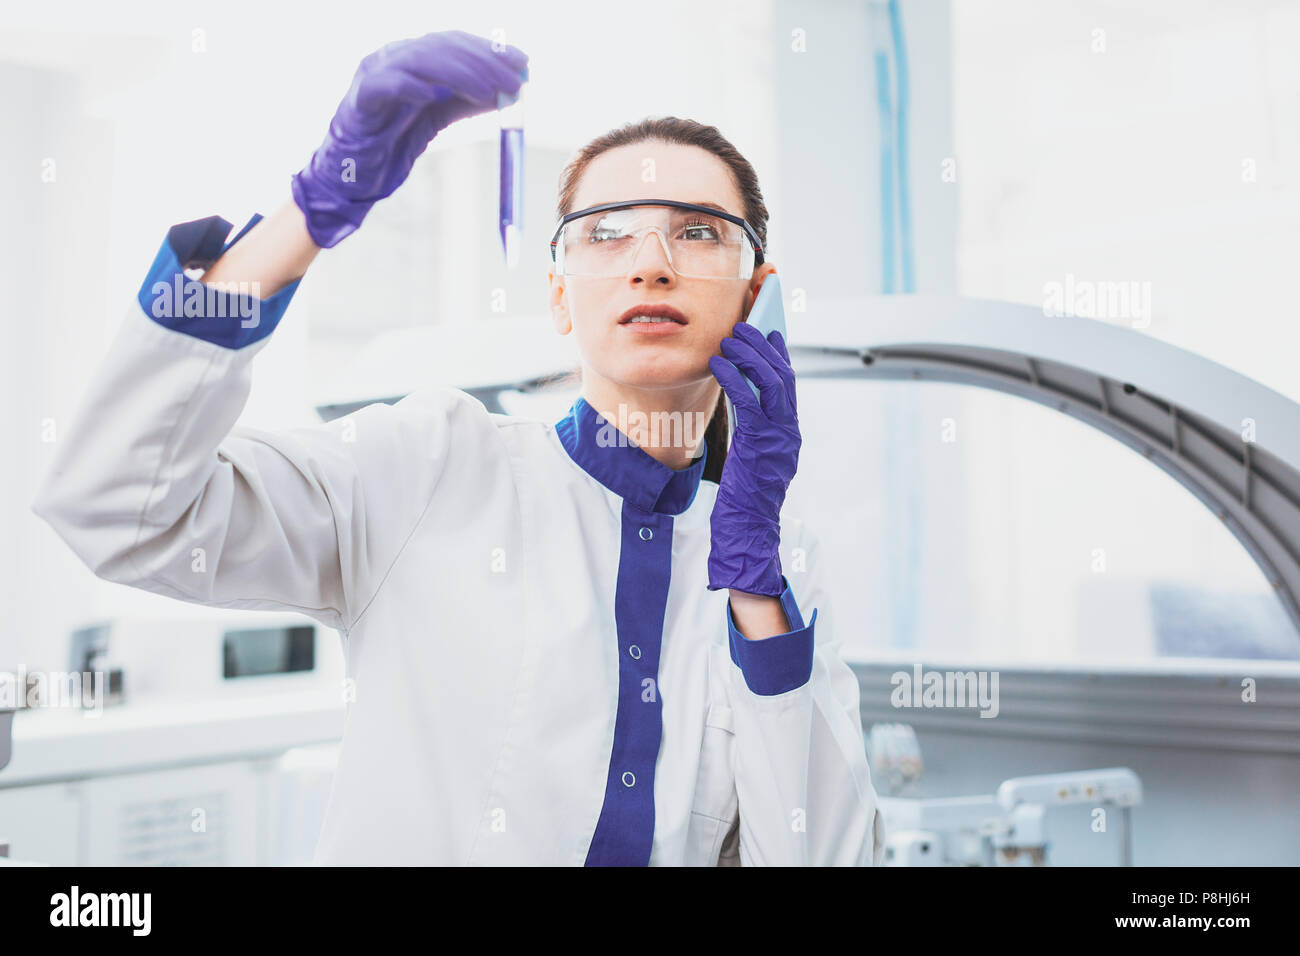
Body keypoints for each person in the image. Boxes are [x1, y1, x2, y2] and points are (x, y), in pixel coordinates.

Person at [31, 30, 885, 866]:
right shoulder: (430, 465)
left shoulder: (776, 573)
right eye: (606, 232)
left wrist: (754, 588)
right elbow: (115, 508)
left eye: (699, 232)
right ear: (559, 296)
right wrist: (312, 213)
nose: (651, 264)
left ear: (755, 297)